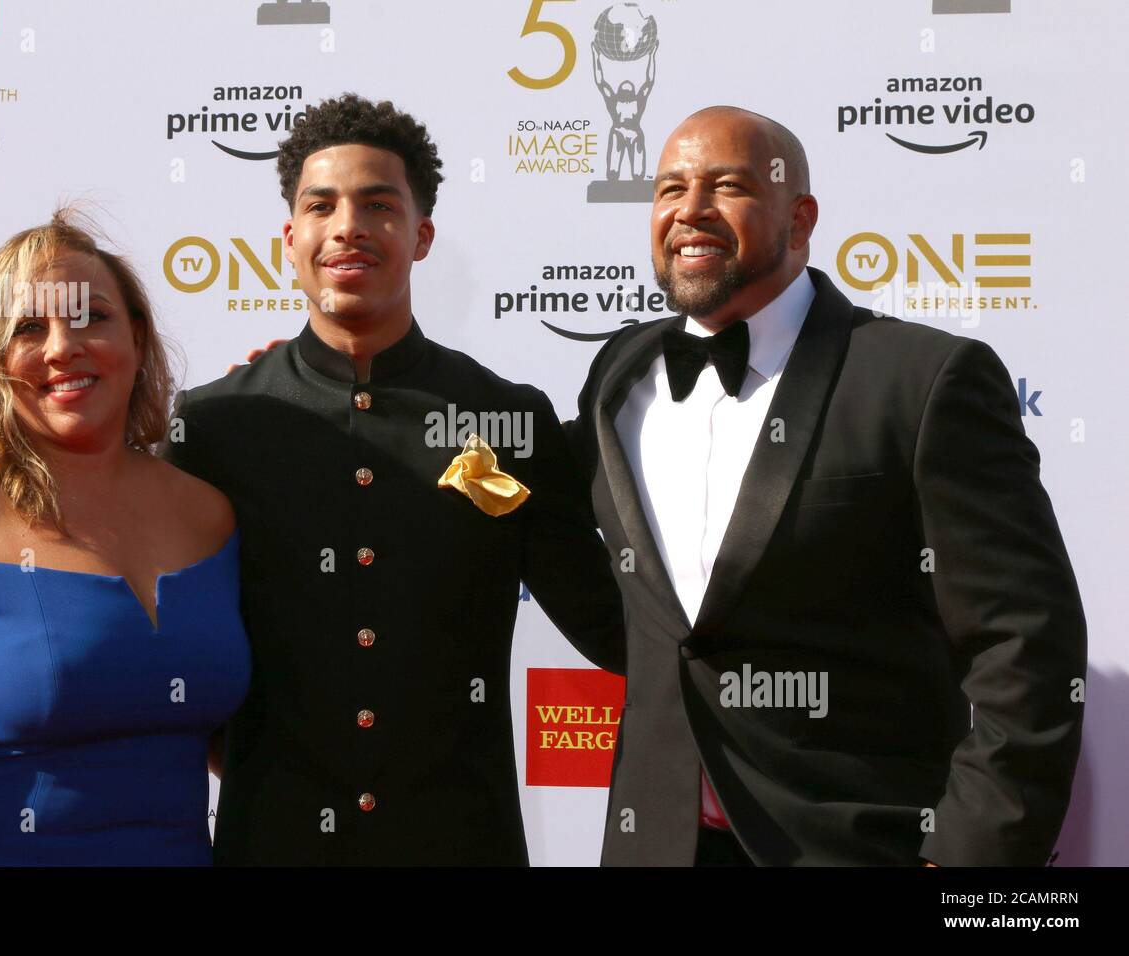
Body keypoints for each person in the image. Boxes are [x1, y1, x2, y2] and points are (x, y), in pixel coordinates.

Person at [569, 105, 1086, 866]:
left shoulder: (921, 381)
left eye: (727, 186)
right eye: (670, 188)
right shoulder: (619, 375)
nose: (689, 211)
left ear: (800, 218)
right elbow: (645, 616)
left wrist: (968, 857)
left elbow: (1027, 643)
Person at [159, 93, 625, 866]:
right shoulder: (212, 428)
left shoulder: (508, 417)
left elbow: (611, 623)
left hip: (460, 843)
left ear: (422, 235)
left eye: (379, 204)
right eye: (322, 206)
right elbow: (171, 655)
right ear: (290, 238)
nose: (348, 226)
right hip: (272, 841)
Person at [0, 210, 249, 866]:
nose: (63, 347)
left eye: (91, 316)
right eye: (29, 328)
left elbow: (236, 744)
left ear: (139, 337)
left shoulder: (206, 516)